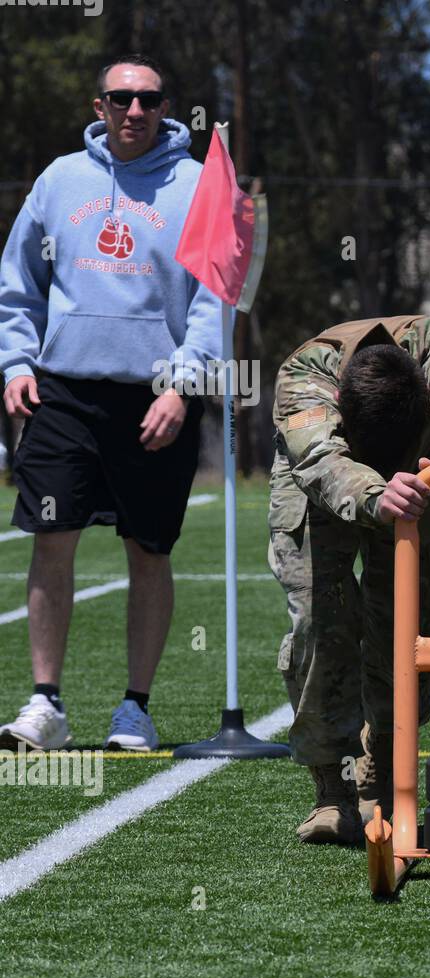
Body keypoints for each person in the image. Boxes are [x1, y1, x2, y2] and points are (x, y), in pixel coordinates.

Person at [0, 54, 221, 752]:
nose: (135, 110)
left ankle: (135, 709)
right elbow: (18, 284)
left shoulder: (198, 185)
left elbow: (214, 301)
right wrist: (15, 363)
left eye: (149, 99)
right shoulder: (60, 179)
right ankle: (46, 705)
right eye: (121, 98)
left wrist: (183, 387)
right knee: (52, 540)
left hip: (158, 397)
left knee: (149, 549)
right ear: (99, 107)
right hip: (62, 391)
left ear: (165, 108)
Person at [270, 315, 430, 844]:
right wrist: (375, 494)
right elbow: (319, 457)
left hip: (420, 469)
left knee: (414, 610)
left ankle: (386, 756)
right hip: (322, 478)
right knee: (319, 616)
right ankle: (332, 790)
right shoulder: (306, 374)